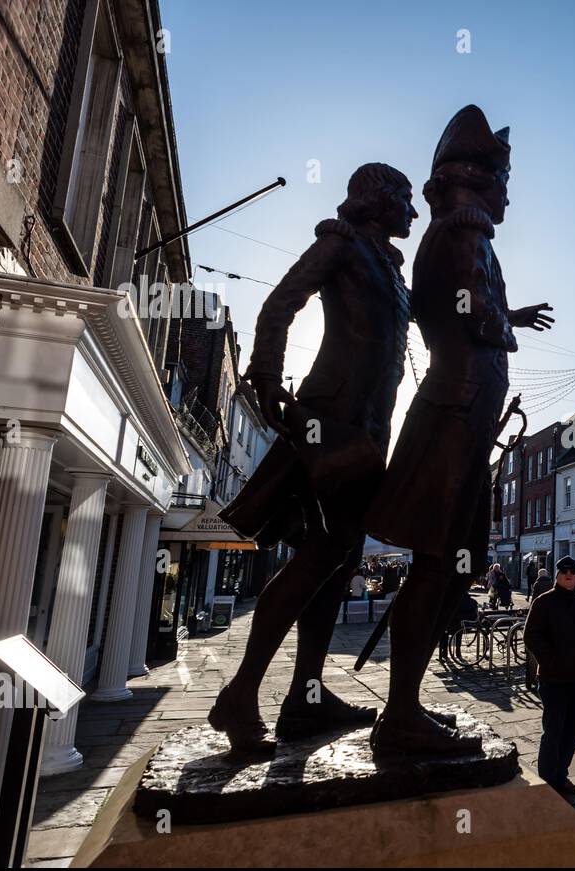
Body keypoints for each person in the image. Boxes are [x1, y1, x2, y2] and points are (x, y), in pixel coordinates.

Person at [208, 163, 419, 752]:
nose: (414, 210)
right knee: (320, 555)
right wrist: (269, 377)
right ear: (377, 200)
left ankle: (306, 695)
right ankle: (241, 692)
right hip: (330, 424)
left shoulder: (394, 276)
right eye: (404, 197)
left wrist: (502, 317)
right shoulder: (342, 245)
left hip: (369, 437)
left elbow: (442, 315)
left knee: (339, 558)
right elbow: (279, 305)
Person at [523, 557, 575, 798]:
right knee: (553, 730)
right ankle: (547, 782)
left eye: (572, 572)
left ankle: (561, 776)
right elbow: (531, 634)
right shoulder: (544, 602)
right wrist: (550, 659)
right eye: (563, 571)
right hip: (553, 679)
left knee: (573, 730)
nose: (568, 575)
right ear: (557, 575)